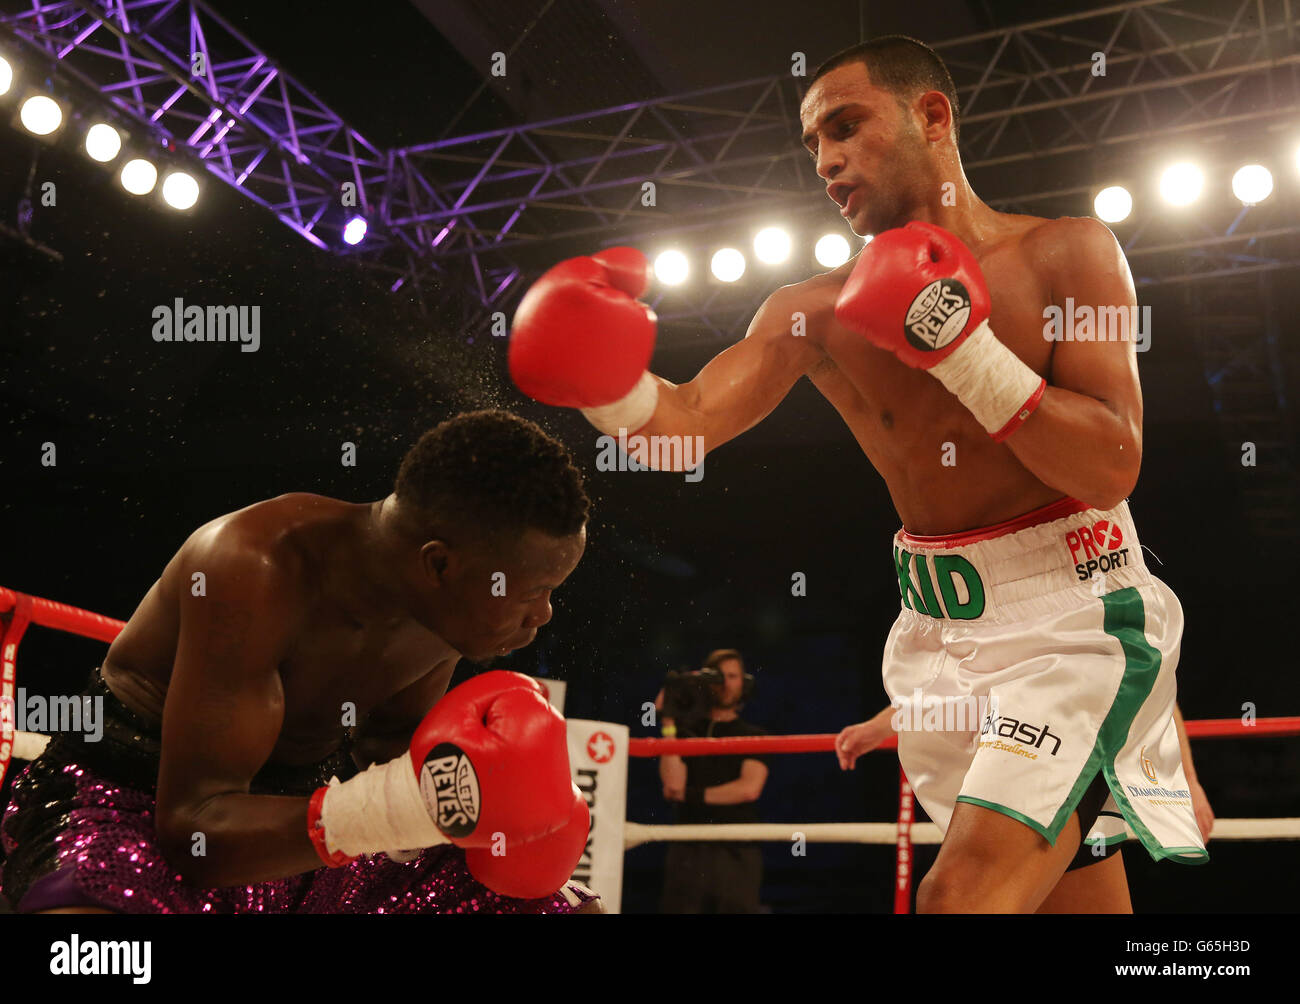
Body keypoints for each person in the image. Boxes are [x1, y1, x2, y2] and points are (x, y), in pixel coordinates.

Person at [508, 34, 1207, 913]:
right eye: (812, 146)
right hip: (936, 635)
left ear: (933, 115)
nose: (828, 162)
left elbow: (1112, 466)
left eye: (846, 126)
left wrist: (965, 350)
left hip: (1076, 627)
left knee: (958, 899)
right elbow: (680, 429)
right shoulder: (810, 311)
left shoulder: (1067, 254)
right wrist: (606, 383)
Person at [0, 409, 603, 914]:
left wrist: (496, 814)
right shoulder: (252, 568)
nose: (545, 614)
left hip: (298, 834)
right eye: (531, 592)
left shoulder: (446, 614)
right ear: (439, 564)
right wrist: (403, 809)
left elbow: (390, 762)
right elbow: (194, 832)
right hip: (134, 813)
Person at [657, 649, 769, 913]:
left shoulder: (754, 736)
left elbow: (748, 789)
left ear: (745, 682)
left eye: (733, 676)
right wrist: (669, 720)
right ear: (707, 681)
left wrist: (690, 794)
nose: (726, 683)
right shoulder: (685, 734)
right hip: (688, 849)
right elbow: (673, 786)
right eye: (719, 676)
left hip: (737, 851)